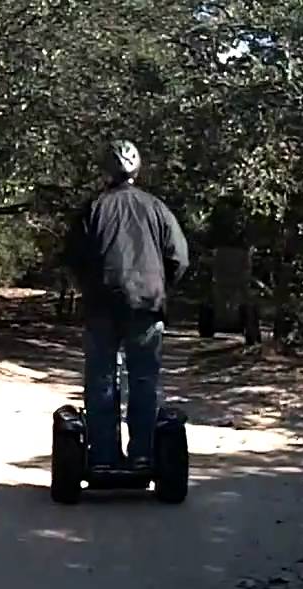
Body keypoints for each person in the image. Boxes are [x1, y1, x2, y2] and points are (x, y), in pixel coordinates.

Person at [63, 140, 190, 469]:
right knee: (144, 380)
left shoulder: (93, 208)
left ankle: (103, 458)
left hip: (102, 304)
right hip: (146, 304)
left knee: (102, 378)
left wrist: (88, 287)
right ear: (138, 169)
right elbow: (179, 258)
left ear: (106, 169)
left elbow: (73, 257)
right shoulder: (157, 208)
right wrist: (160, 287)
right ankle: (144, 455)